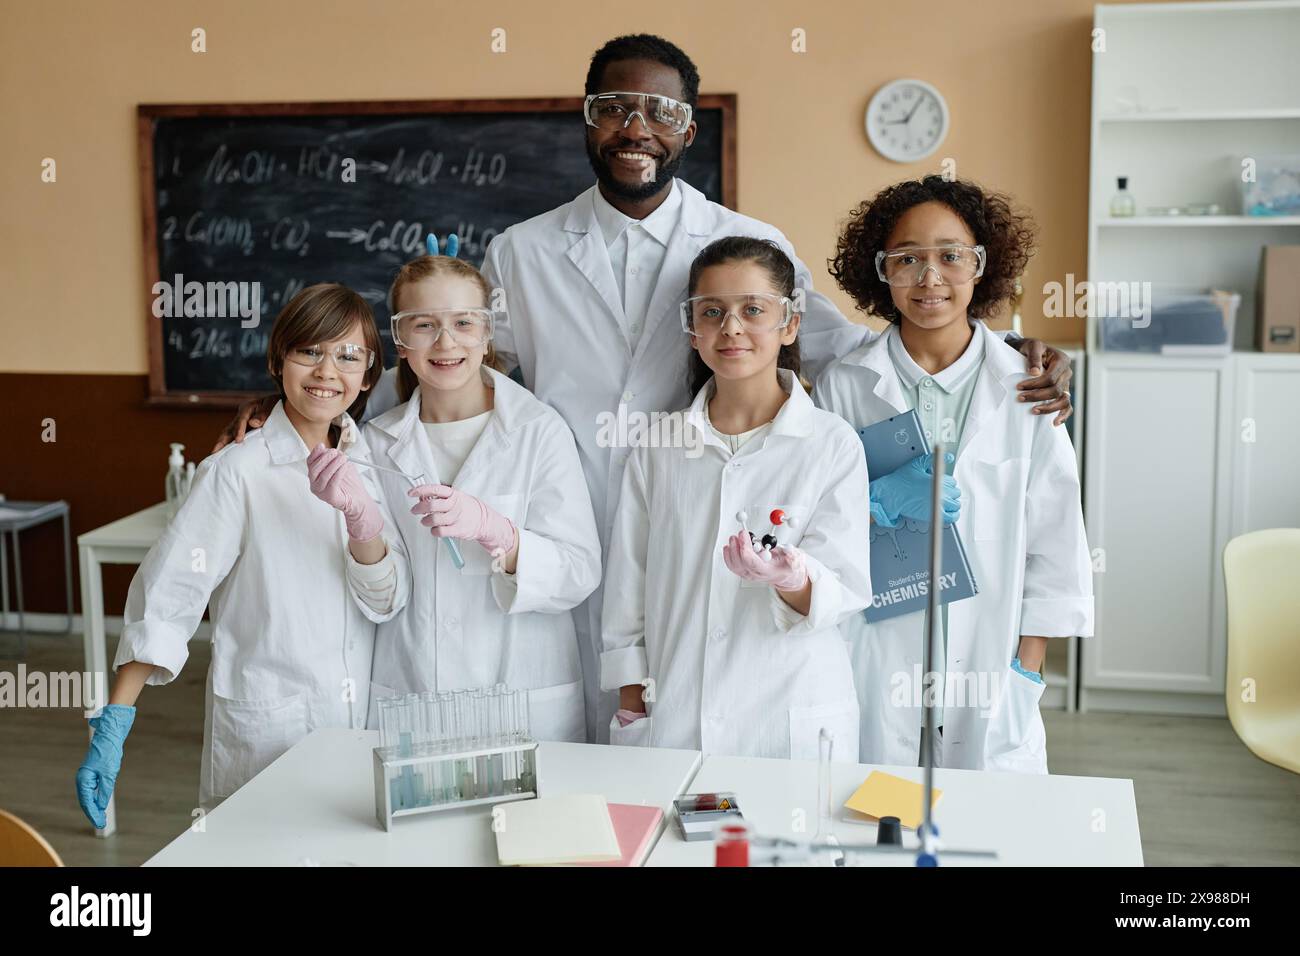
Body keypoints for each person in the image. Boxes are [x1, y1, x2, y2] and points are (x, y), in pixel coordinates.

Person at [213, 35, 1074, 742]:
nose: (637, 126)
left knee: (675, 755)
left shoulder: (744, 240)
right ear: (587, 123)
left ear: (688, 129)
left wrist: (1005, 345)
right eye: (615, 108)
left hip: (684, 538)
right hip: (551, 534)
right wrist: (319, 412)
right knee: (575, 770)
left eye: (660, 110)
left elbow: (859, 345)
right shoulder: (523, 249)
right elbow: (457, 363)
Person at [75, 284, 409, 822]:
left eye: (348, 356)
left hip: (355, 726)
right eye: (309, 351)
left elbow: (387, 598)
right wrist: (114, 720)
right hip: (264, 728)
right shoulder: (235, 471)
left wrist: (360, 521)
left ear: (369, 375)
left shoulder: (372, 460)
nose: (328, 371)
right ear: (279, 360)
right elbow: (169, 597)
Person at [813, 176, 1093, 772]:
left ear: (982, 264)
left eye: (950, 256)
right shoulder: (846, 383)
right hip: (877, 646)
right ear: (881, 271)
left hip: (989, 657)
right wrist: (875, 503)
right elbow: (820, 519)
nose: (929, 276)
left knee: (990, 830)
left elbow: (1056, 532)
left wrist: (1027, 663)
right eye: (907, 258)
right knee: (875, 816)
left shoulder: (1027, 386)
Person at [601, 237, 872, 758]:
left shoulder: (832, 443)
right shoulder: (659, 447)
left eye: (753, 309)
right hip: (677, 713)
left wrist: (791, 579)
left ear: (789, 323)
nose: (731, 327)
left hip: (792, 712)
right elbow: (627, 591)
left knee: (789, 836)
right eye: (712, 311)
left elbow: (842, 586)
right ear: (692, 328)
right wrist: (633, 707)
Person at [362, 252, 601, 741]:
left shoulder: (538, 431)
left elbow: (579, 571)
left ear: (488, 332)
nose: (446, 342)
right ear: (400, 339)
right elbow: (380, 593)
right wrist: (361, 532)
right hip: (413, 695)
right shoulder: (376, 443)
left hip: (522, 697)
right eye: (423, 324)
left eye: (464, 322)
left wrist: (501, 535)